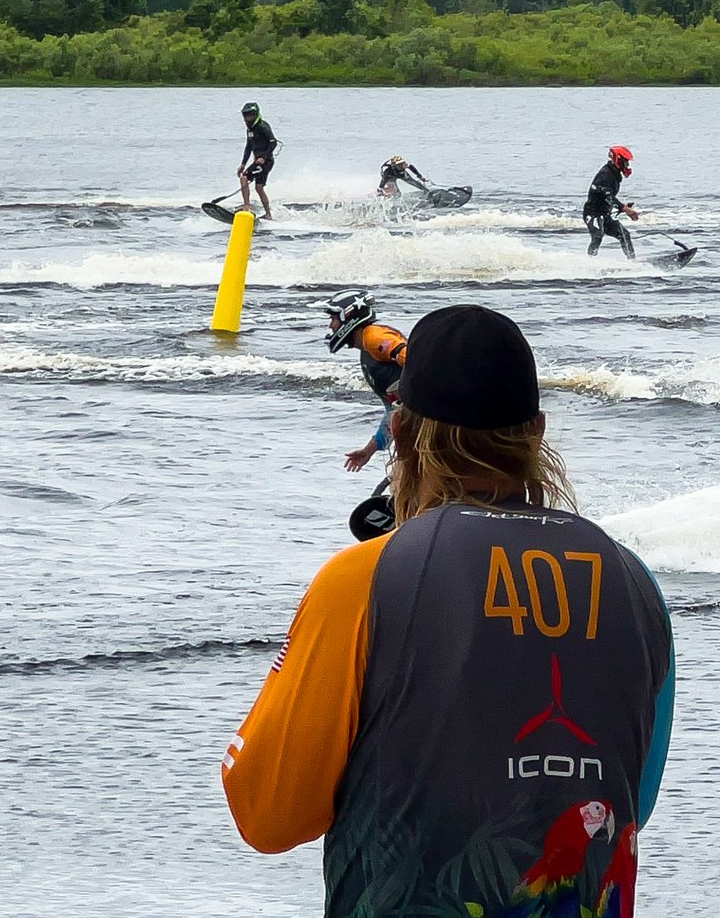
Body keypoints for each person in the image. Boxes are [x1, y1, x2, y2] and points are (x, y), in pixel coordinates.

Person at [223, 305, 676, 918]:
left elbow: (269, 812)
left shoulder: (366, 577)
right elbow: (631, 802)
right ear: (537, 431)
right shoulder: (634, 581)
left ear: (403, 432)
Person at [317, 290, 407, 473]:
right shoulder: (368, 349)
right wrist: (370, 450)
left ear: (348, 316)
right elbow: (393, 411)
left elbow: (417, 359)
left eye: (334, 319)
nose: (330, 326)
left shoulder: (374, 338)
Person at [584, 145, 640, 258]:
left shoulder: (614, 174)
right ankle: (589, 261)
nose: (627, 165)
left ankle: (632, 262)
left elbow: (608, 199)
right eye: (626, 162)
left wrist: (623, 207)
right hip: (592, 214)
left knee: (624, 235)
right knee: (597, 235)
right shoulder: (605, 175)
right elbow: (608, 196)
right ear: (618, 160)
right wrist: (625, 209)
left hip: (604, 214)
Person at [237, 101, 279, 220]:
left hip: (266, 162)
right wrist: (243, 164)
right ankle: (268, 214)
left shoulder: (262, 126)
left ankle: (247, 207)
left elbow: (273, 142)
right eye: (246, 116)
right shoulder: (249, 130)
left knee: (244, 177)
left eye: (250, 115)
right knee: (259, 187)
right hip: (258, 162)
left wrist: (263, 157)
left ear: (256, 115)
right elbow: (248, 147)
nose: (248, 118)